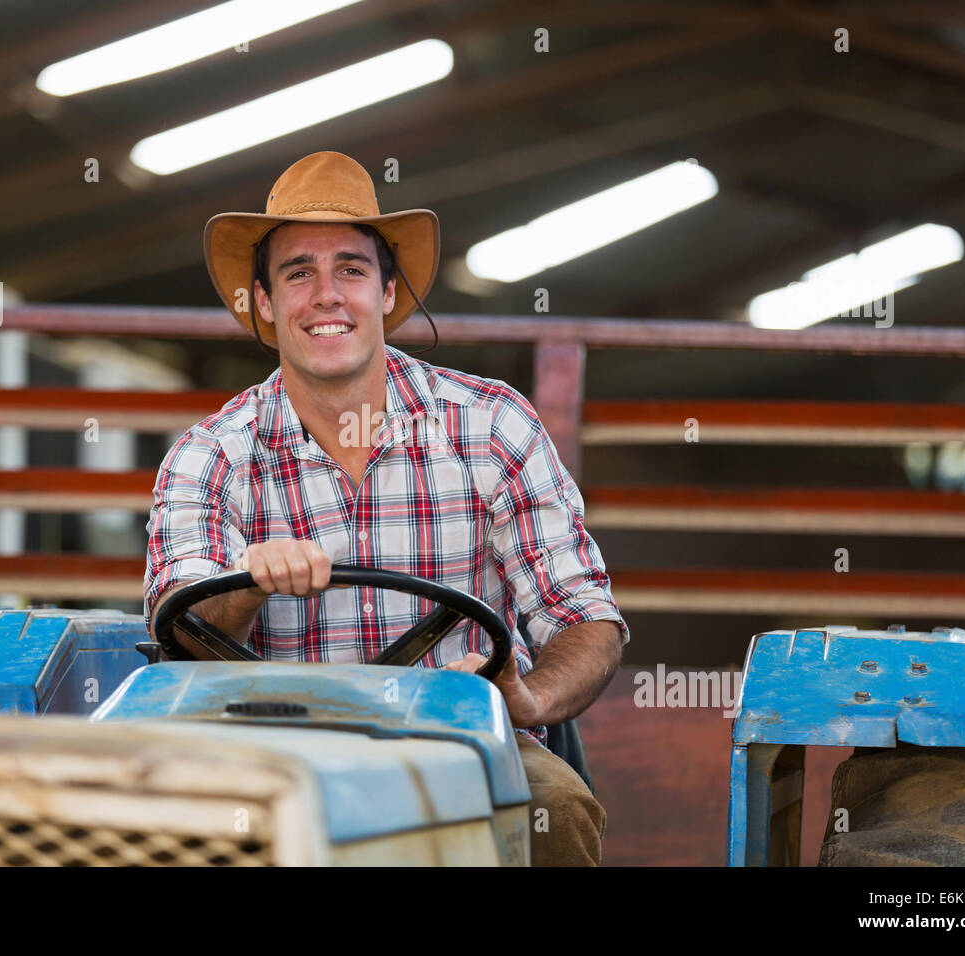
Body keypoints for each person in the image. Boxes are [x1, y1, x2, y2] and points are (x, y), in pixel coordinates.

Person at [145, 150, 628, 866]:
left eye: (351, 269)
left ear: (387, 291)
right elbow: (177, 618)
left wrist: (528, 700)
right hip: (280, 753)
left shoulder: (493, 427)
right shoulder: (211, 454)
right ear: (266, 304)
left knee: (552, 809)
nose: (326, 295)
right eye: (297, 272)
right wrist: (245, 581)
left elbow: (586, 616)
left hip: (463, 746)